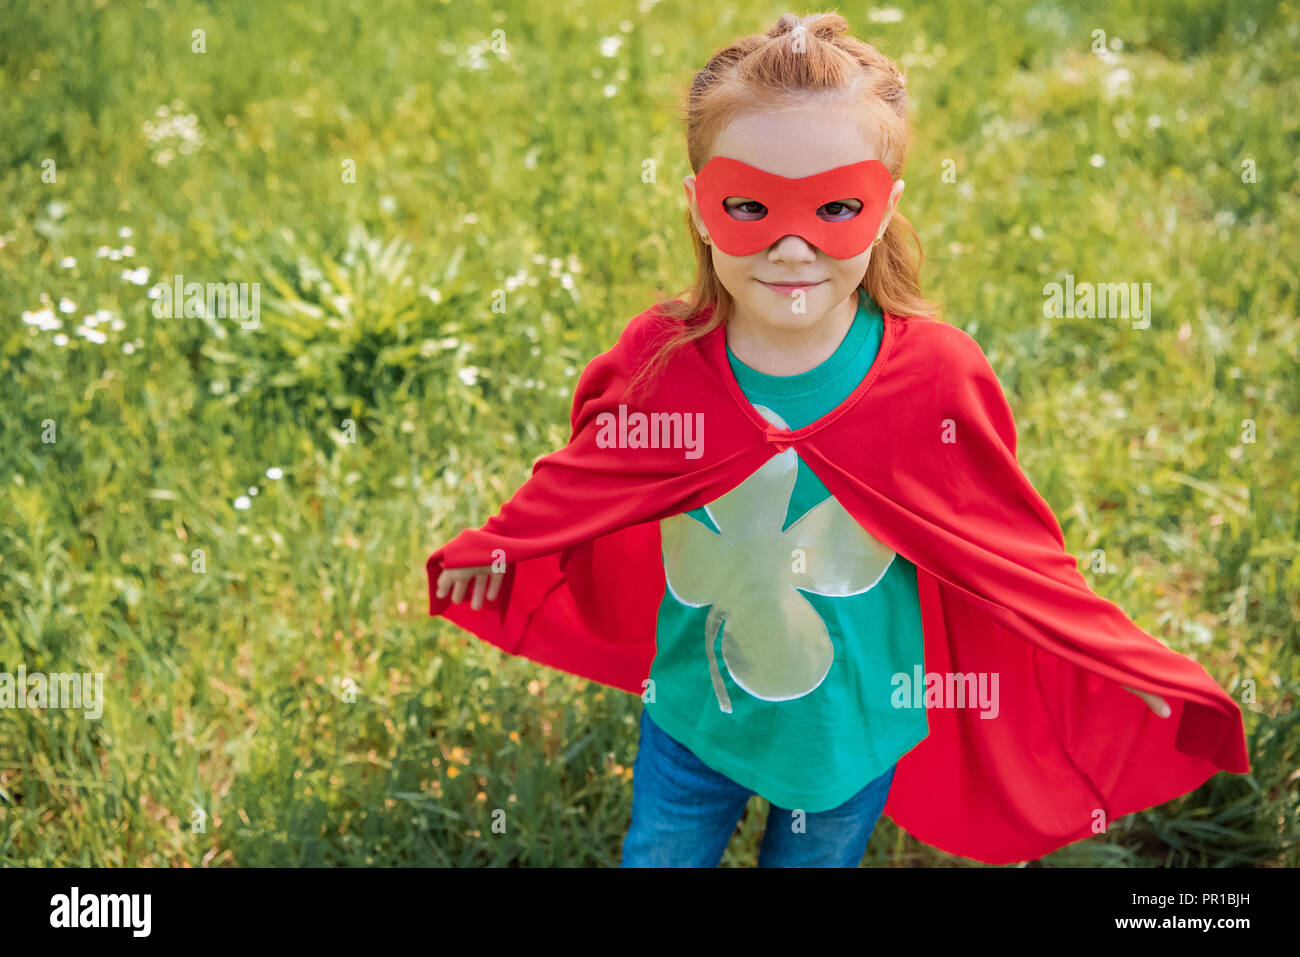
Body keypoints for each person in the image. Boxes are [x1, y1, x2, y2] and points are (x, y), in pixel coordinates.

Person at [429, 12, 1246, 868]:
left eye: (835, 207)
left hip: (848, 732)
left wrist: (1116, 665)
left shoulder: (932, 377)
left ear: (886, 207)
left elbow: (1008, 549)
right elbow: (586, 477)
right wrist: (498, 550)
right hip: (692, 714)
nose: (791, 246)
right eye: (750, 206)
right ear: (698, 207)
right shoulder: (664, 362)